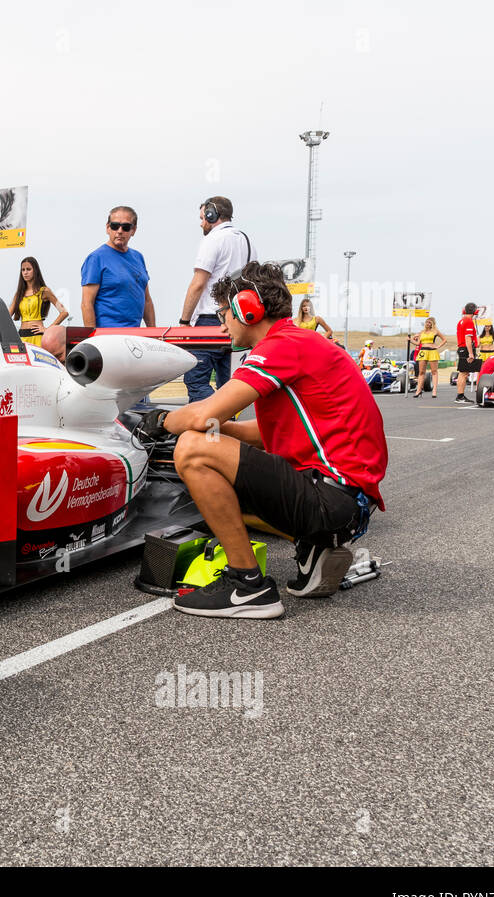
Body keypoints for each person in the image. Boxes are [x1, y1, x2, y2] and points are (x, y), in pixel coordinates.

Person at [139, 261, 387, 619]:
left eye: (224, 312)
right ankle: (313, 545)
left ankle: (248, 587)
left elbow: (200, 416)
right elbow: (265, 434)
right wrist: (220, 430)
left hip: (329, 500)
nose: (222, 322)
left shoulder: (281, 346)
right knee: (217, 470)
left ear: (247, 308)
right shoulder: (302, 342)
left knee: (193, 450)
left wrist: (162, 420)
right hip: (345, 502)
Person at [178, 197, 256, 403]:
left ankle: (212, 424)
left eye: (203, 217)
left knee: (196, 380)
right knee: (229, 385)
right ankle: (227, 427)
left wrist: (185, 322)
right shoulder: (246, 240)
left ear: (212, 215)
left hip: (210, 320)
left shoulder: (213, 239)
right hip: (238, 321)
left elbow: (198, 283)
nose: (201, 222)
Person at [79, 206, 155, 329]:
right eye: (115, 226)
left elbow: (146, 300)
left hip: (135, 335)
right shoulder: (96, 258)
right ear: (108, 228)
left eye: (125, 227)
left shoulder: (138, 257)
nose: (119, 231)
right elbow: (86, 303)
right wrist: (92, 338)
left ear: (133, 230)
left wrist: (154, 333)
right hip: (108, 334)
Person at [9, 257, 68, 346]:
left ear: (35, 271)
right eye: (23, 270)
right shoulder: (19, 294)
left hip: (38, 337)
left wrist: (48, 329)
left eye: (28, 269)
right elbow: (6, 316)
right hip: (21, 337)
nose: (25, 272)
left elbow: (64, 312)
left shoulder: (45, 291)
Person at [408, 318, 447, 399]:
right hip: (423, 352)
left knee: (434, 371)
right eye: (426, 322)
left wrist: (438, 346)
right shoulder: (421, 332)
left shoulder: (435, 331)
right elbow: (418, 343)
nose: (428, 324)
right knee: (421, 372)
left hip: (432, 351)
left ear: (432, 323)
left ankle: (434, 390)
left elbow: (444, 339)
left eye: (429, 322)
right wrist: (410, 340)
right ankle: (418, 391)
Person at [453, 302, 480, 402]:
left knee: (463, 373)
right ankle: (460, 396)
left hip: (462, 348)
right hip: (465, 349)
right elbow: (467, 338)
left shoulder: (461, 320)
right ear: (474, 311)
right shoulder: (468, 321)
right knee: (464, 374)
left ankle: (460, 395)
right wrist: (471, 353)